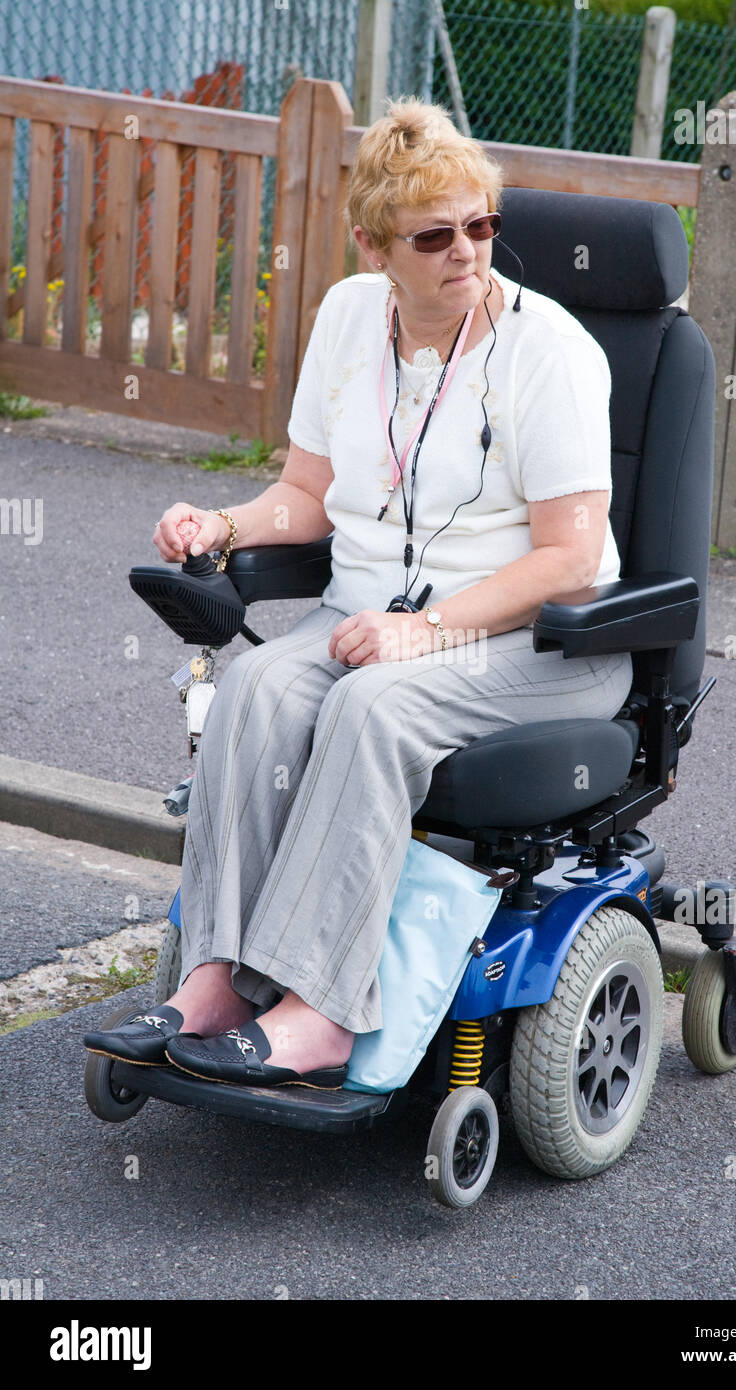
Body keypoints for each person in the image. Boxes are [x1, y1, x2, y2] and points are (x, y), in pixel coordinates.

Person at [84, 98, 633, 1089]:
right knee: (251, 693)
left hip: (542, 641)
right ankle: (215, 979)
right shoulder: (345, 318)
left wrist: (421, 631)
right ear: (376, 244)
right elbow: (305, 492)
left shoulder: (545, 352)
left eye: (481, 225)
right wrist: (223, 526)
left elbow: (569, 559)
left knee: (372, 708)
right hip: (371, 615)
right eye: (434, 235)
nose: (466, 252)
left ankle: (323, 1011)